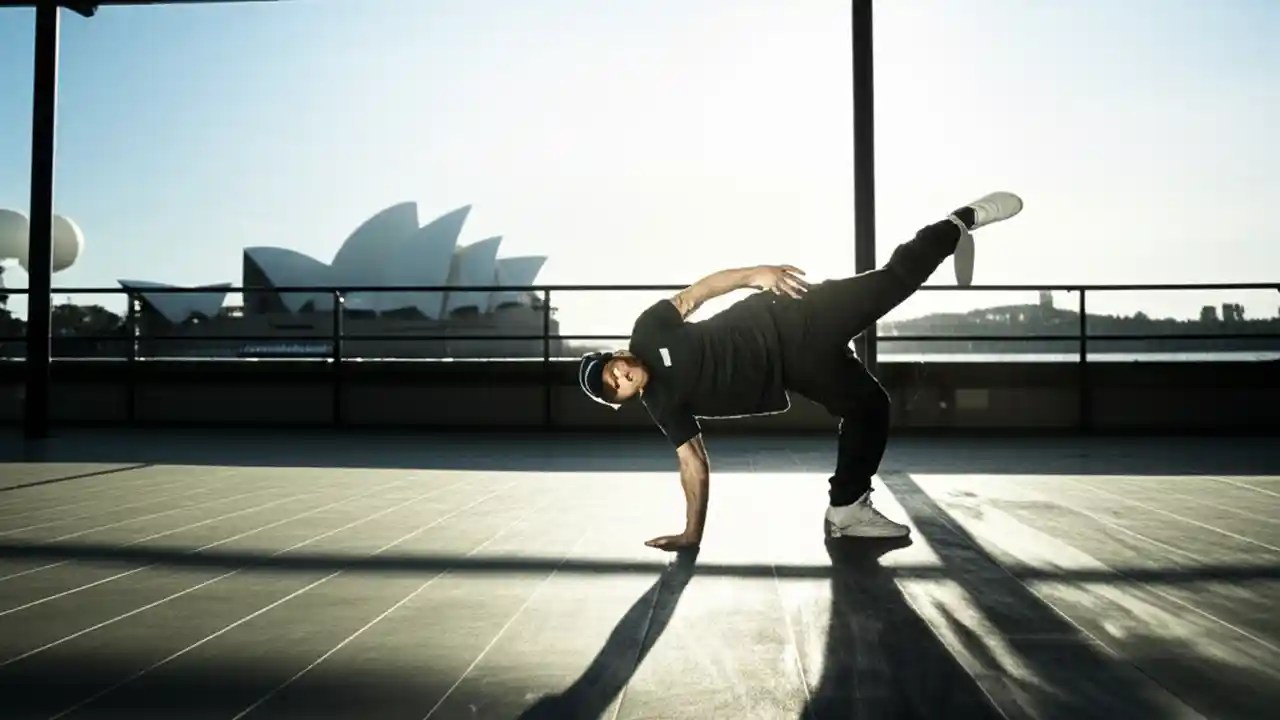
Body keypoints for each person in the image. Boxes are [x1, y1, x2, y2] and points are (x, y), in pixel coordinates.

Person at [577, 192, 1024, 551]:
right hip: (797, 368)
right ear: (622, 400)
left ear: (618, 355)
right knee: (869, 406)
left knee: (894, 281)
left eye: (612, 371)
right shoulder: (663, 404)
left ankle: (958, 222)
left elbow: (700, 293)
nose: (619, 380)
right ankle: (847, 511)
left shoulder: (647, 329)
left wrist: (758, 272)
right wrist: (691, 534)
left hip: (792, 313)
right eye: (612, 390)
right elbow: (692, 463)